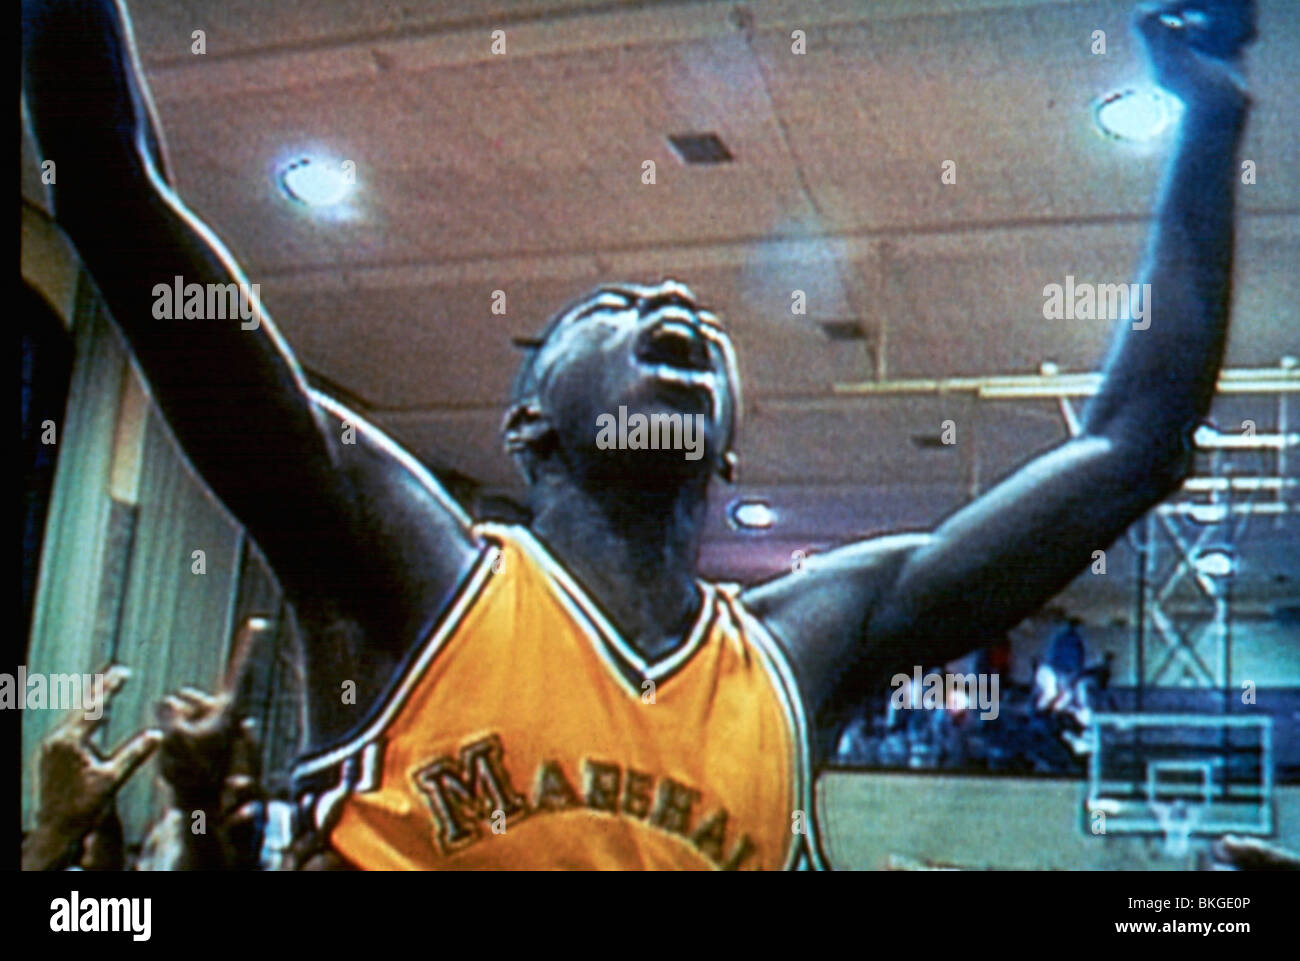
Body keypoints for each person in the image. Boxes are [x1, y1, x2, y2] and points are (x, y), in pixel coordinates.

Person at [21, 0, 1257, 869]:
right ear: (528, 425)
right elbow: (109, 185)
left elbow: (1133, 442)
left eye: (702, 323)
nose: (675, 308)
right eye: (613, 308)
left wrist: (1205, 129)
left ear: (723, 445)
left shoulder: (810, 640)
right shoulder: (407, 560)